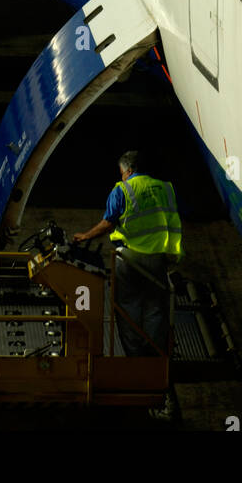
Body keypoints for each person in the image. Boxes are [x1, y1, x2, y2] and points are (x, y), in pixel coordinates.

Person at [73, 150, 182, 358]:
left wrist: (85, 236)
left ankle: (135, 356)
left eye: (122, 173)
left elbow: (108, 223)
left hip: (128, 258)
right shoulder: (166, 188)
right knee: (155, 307)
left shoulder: (122, 190)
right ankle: (153, 355)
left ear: (129, 171)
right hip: (158, 257)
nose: (122, 177)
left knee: (127, 305)